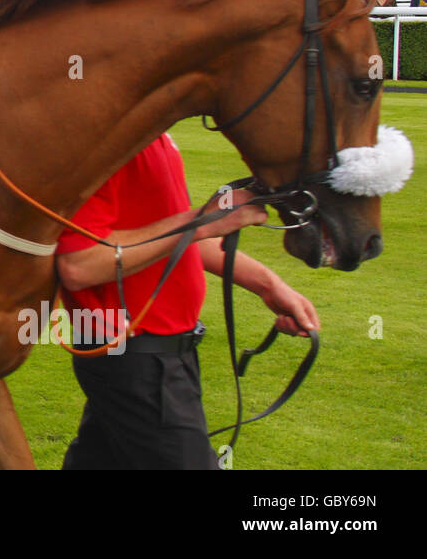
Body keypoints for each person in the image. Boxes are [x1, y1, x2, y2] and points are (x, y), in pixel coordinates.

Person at [54, 133, 319, 470]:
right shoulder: (108, 139)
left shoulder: (153, 132)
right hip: (138, 358)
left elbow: (164, 234)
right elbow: (80, 263)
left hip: (157, 356)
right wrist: (200, 222)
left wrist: (267, 285)